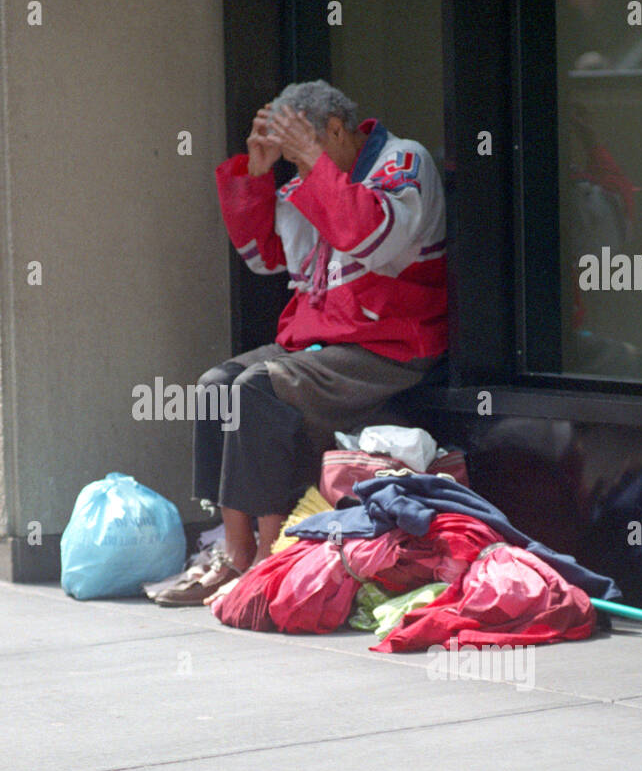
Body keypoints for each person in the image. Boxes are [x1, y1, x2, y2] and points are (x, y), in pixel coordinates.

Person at [157, 80, 447, 607]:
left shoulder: (404, 162)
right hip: (318, 345)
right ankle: (232, 554)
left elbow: (369, 237)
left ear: (335, 130)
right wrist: (257, 170)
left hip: (385, 347)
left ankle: (267, 565)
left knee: (257, 391)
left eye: (299, 146)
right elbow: (261, 256)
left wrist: (314, 161)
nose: (295, 163)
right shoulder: (308, 179)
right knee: (217, 385)